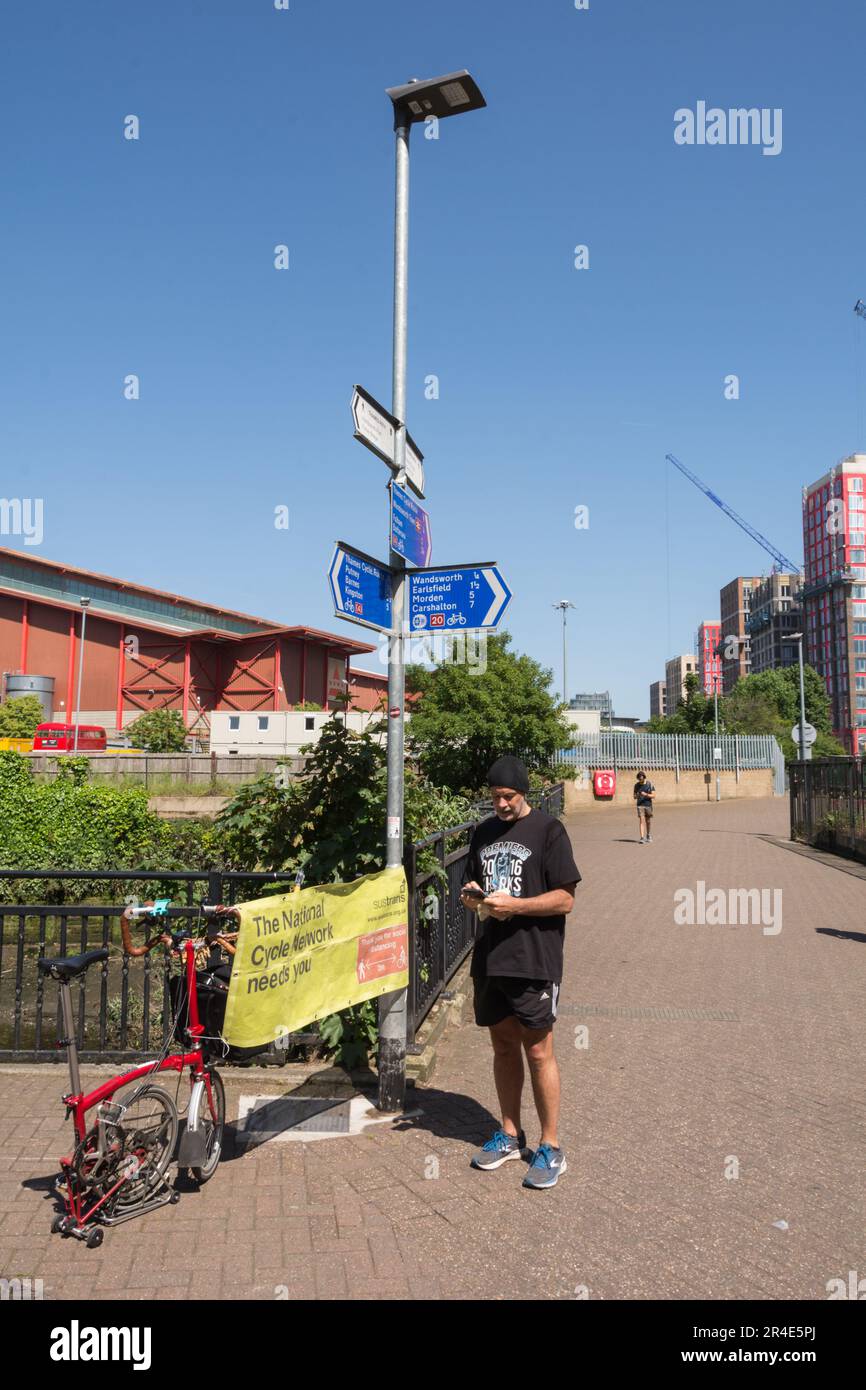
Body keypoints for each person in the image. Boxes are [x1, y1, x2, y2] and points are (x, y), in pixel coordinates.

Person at [460, 755, 580, 1190]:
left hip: (534, 958)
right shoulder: (483, 832)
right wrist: (472, 898)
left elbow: (565, 899)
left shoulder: (549, 831)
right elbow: (475, 885)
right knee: (503, 1047)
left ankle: (551, 1146)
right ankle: (510, 1134)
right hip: (492, 957)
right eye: (494, 798)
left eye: (507, 797)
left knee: (538, 1051)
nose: (501, 805)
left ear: (524, 792)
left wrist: (517, 906)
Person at [633, 770, 655, 843]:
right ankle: (642, 838)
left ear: (644, 777)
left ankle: (648, 835)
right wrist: (638, 795)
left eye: (641, 779)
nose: (640, 780)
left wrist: (646, 794)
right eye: (639, 779)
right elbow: (634, 796)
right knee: (641, 821)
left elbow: (654, 795)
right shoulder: (636, 785)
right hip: (640, 805)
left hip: (648, 805)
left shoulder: (649, 784)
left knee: (648, 821)